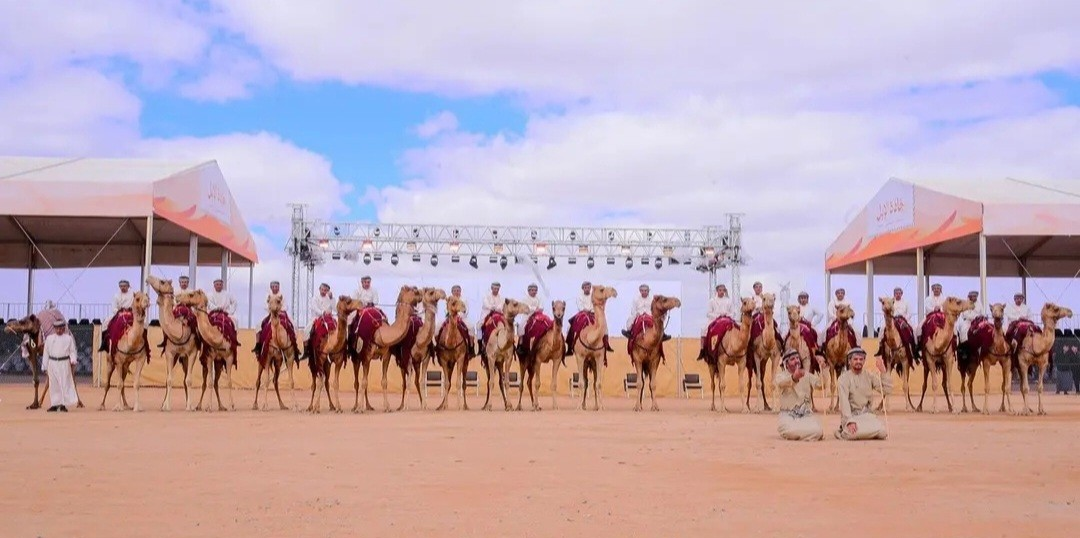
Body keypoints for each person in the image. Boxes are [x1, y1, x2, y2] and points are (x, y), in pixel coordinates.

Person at [835, 347, 891, 440]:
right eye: (855, 359)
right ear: (849, 361)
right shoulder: (843, 379)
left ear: (864, 361)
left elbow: (886, 390)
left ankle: (864, 431)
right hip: (852, 416)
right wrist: (850, 421)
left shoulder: (869, 375)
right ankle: (843, 430)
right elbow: (844, 402)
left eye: (861, 359)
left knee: (883, 433)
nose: (858, 362)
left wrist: (883, 372)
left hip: (867, 415)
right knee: (852, 434)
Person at [775, 349, 826, 441]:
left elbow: (821, 384)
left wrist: (823, 368)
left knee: (819, 431)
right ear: (786, 363)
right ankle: (807, 435)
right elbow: (782, 383)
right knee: (790, 430)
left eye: (798, 358)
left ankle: (803, 435)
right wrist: (794, 378)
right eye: (793, 359)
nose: (797, 361)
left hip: (806, 415)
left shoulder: (806, 374)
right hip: (788, 416)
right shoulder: (780, 376)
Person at [565, 281, 613, 356]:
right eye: (585, 288)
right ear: (583, 288)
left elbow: (597, 303)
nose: (587, 289)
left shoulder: (593, 295)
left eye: (588, 287)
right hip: (583, 313)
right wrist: (586, 310)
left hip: (593, 313)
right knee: (570, 326)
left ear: (590, 288)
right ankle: (569, 348)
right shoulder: (579, 297)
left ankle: (606, 345)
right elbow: (580, 307)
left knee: (604, 326)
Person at [253, 281, 298, 358]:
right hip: (270, 313)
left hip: (281, 313)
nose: (275, 288)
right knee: (258, 326)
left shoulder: (282, 295)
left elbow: (285, 305)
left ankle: (294, 346)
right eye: (273, 287)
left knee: (293, 325)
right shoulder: (268, 295)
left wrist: (279, 310)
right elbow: (265, 305)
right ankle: (258, 346)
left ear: (279, 287)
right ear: (271, 287)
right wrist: (272, 310)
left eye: (276, 286)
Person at [43, 319, 79, 412]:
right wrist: (44, 366)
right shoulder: (50, 338)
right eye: (57, 328)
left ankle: (63, 404)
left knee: (64, 383)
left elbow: (72, 351)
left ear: (63, 329)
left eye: (61, 328)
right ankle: (55, 404)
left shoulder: (68, 338)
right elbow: (46, 352)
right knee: (53, 384)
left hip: (64, 363)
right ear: (54, 329)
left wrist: (73, 360)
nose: (59, 330)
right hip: (52, 363)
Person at [437, 285, 477, 356]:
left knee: (471, 328)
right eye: (454, 291)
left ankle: (471, 347)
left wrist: (459, 316)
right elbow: (446, 309)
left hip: (462, 318)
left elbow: (466, 310)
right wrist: (451, 315)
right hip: (450, 317)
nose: (456, 292)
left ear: (460, 291)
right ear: (452, 292)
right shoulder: (449, 299)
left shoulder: (464, 300)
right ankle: (438, 346)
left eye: (458, 291)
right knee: (437, 327)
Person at [698, 284, 735, 360]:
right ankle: (702, 349)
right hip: (715, 319)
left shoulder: (729, 301)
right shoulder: (712, 301)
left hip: (726, 319)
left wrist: (726, 315)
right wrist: (718, 315)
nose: (722, 292)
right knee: (703, 330)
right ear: (717, 291)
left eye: (723, 290)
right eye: (720, 290)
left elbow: (733, 312)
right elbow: (708, 313)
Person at [98, 279, 135, 352]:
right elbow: (114, 308)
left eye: (124, 286)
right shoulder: (116, 296)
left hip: (131, 313)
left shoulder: (133, 294)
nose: (123, 288)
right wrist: (120, 312)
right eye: (121, 286)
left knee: (143, 324)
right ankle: (104, 343)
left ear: (128, 286)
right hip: (119, 314)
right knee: (105, 322)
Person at [301, 283, 335, 361]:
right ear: (319, 289)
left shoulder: (329, 298)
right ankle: (306, 352)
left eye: (325, 290)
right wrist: (323, 312)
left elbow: (335, 308)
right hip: (316, 318)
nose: (323, 291)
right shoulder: (315, 298)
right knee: (306, 330)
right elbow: (314, 308)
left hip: (328, 318)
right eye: (322, 289)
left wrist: (332, 298)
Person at [517, 283, 546, 357]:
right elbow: (526, 308)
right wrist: (534, 309)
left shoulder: (539, 298)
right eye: (532, 290)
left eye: (535, 290)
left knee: (546, 323)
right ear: (529, 291)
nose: (534, 292)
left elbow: (541, 308)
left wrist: (536, 310)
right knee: (521, 326)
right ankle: (520, 344)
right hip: (527, 316)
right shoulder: (525, 299)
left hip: (538, 315)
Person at [478, 282, 505, 358]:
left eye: (497, 289)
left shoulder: (501, 298)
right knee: (479, 326)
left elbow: (501, 306)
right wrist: (493, 307)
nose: (496, 290)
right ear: (491, 288)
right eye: (495, 288)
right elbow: (486, 304)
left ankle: (511, 344)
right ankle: (480, 346)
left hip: (498, 314)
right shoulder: (486, 297)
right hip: (488, 314)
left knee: (508, 325)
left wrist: (495, 308)